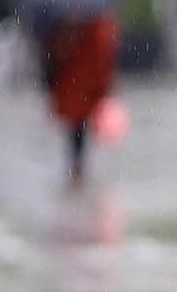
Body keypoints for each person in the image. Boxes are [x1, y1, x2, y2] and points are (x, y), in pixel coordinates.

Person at [40, 12, 119, 188]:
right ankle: (78, 170)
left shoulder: (78, 27)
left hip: (79, 88)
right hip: (81, 88)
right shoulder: (96, 26)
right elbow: (104, 57)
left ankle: (77, 170)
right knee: (78, 129)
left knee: (78, 129)